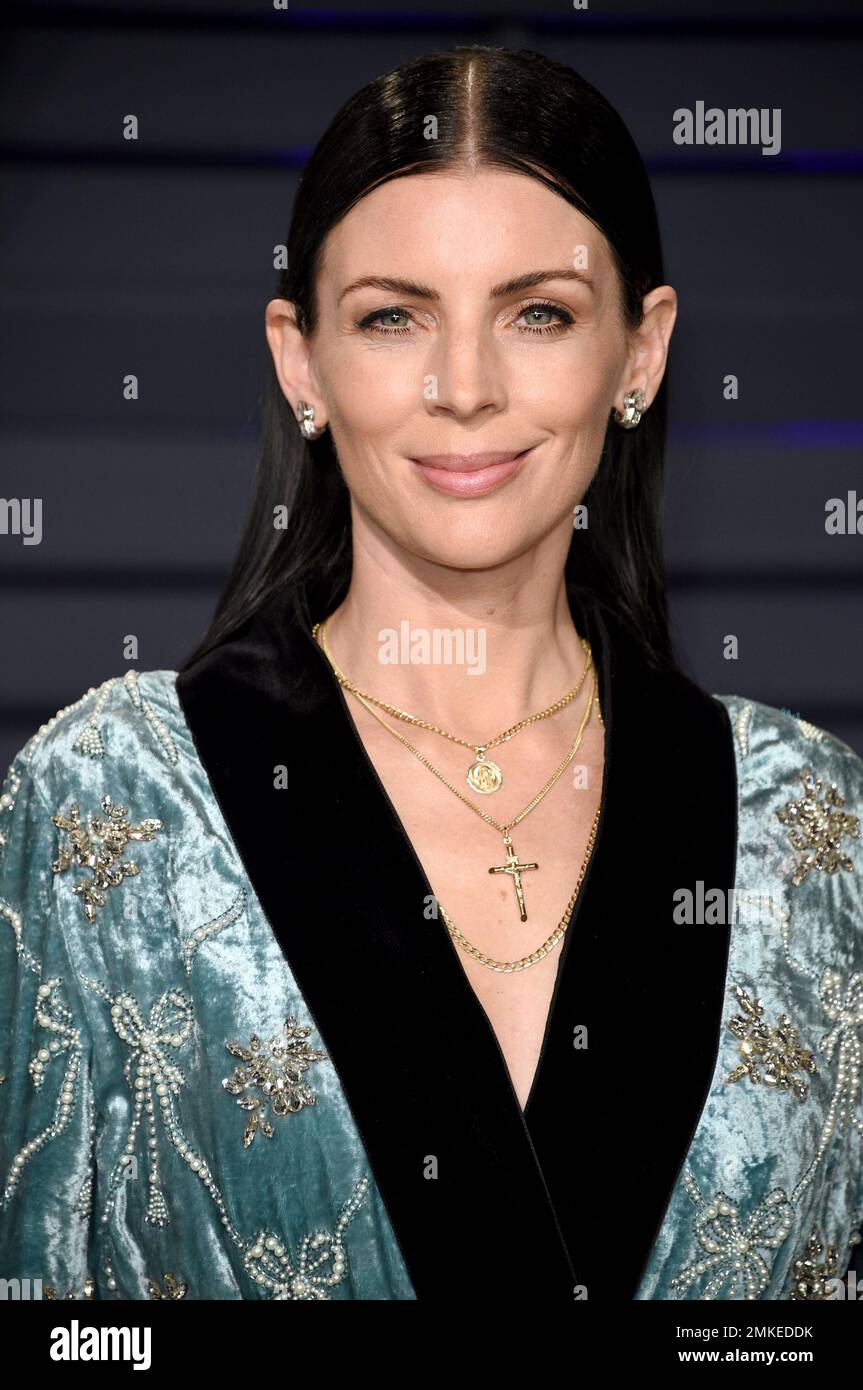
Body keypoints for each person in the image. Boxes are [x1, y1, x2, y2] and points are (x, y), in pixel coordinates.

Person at [1, 45, 861, 1303]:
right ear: (301, 362)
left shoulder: (813, 827)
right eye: (393, 316)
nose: (464, 389)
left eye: (539, 314)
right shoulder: (108, 807)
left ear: (641, 351)